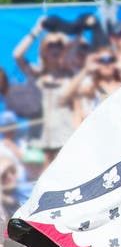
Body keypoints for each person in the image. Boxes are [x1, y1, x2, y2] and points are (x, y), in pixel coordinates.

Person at [12, 20, 75, 166]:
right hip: (38, 144)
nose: (55, 48)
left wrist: (64, 31)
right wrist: (37, 29)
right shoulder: (36, 75)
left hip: (65, 143)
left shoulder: (72, 75)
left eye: (59, 45)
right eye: (50, 45)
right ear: (43, 50)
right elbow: (17, 55)